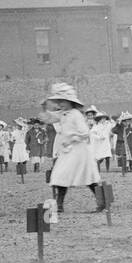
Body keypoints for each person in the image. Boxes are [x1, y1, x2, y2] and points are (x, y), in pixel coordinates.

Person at [40, 83, 102, 213]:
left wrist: (72, 138)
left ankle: (102, 201)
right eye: (58, 101)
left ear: (70, 101)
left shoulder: (75, 114)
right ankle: (59, 205)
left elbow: (85, 132)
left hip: (79, 150)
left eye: (62, 101)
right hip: (68, 151)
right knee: (60, 175)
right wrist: (44, 107)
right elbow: (48, 118)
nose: (60, 104)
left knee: (88, 177)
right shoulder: (63, 113)